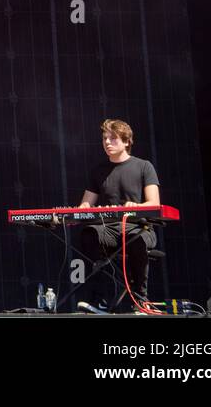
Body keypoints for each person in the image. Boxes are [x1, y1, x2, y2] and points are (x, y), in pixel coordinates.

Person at [75, 118, 161, 312]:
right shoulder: (98, 171)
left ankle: (140, 300)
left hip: (139, 227)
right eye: (105, 138)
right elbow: (86, 203)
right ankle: (100, 300)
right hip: (109, 229)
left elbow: (154, 203)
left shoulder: (144, 166)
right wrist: (79, 210)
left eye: (113, 138)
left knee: (134, 239)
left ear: (126, 141)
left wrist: (137, 206)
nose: (107, 142)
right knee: (89, 234)